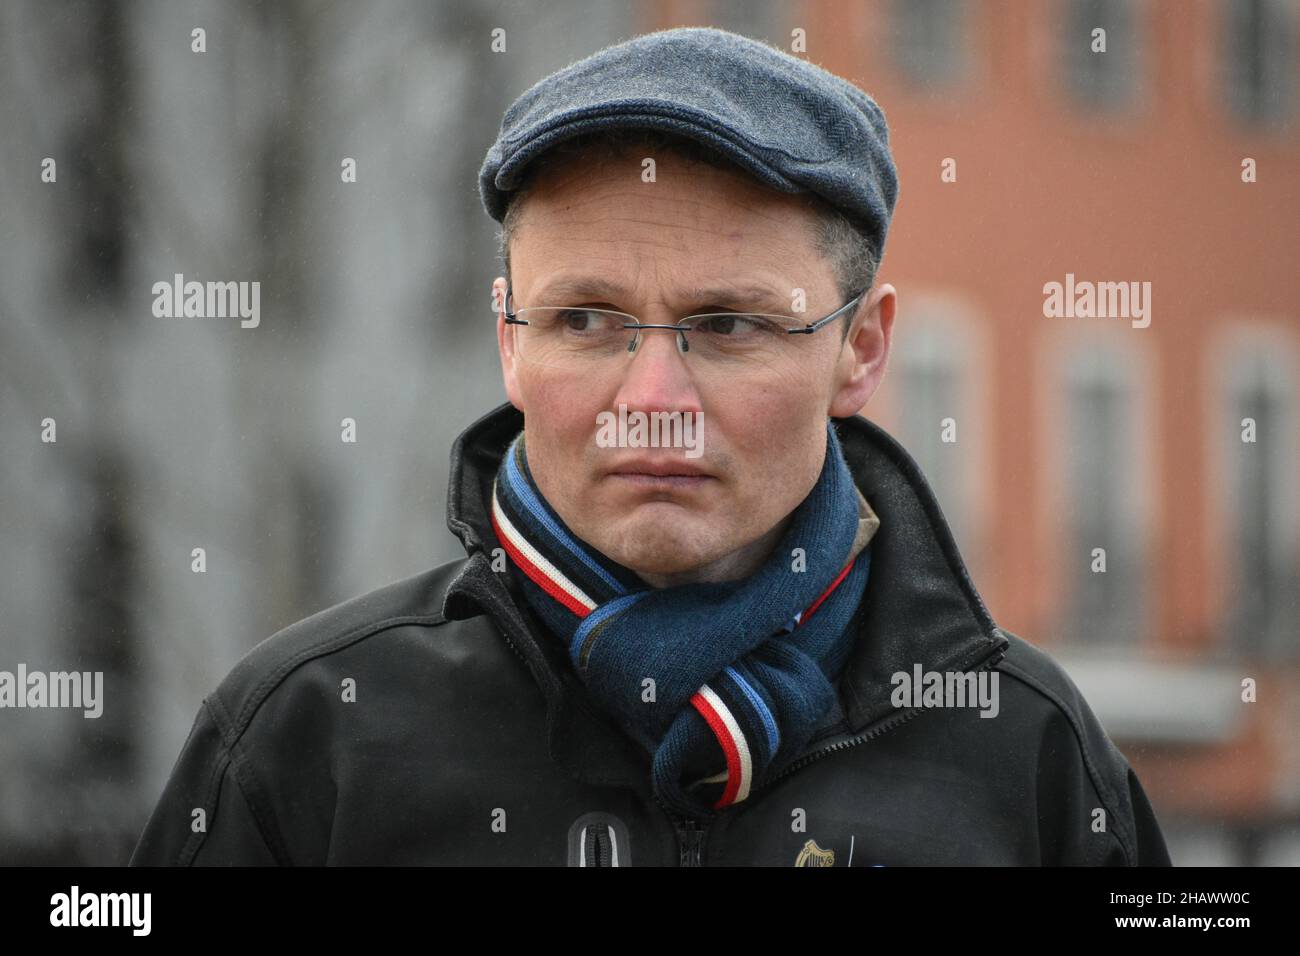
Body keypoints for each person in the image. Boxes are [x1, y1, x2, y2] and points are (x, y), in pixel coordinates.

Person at [130, 26, 1172, 866]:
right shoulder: (308, 742)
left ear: (860, 350)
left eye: (728, 324)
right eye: (585, 319)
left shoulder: (1031, 760)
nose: (652, 399)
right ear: (508, 342)